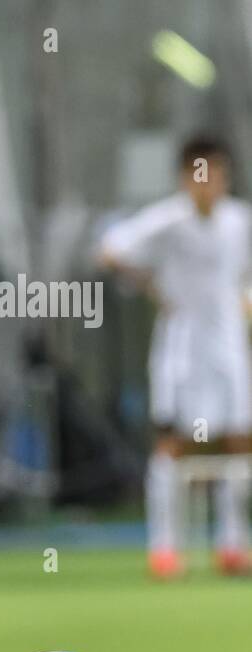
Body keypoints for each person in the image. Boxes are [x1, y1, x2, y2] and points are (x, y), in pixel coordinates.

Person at [98, 136, 252, 578]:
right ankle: (164, 549)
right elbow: (110, 248)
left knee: (238, 440)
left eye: (218, 175)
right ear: (187, 178)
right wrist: (152, 287)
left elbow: (240, 278)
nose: (210, 185)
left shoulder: (238, 221)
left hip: (228, 348)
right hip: (182, 348)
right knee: (172, 441)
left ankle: (231, 545)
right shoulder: (167, 220)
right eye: (201, 175)